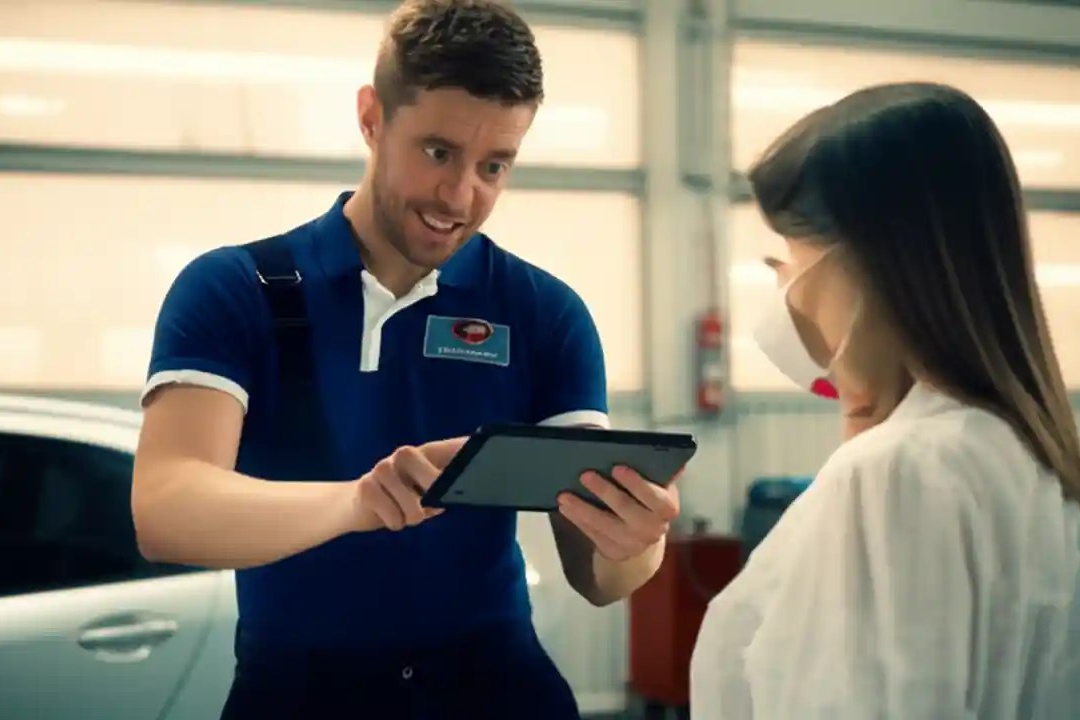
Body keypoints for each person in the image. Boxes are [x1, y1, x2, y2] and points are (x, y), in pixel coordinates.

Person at [130, 2, 680, 718]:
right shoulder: (237, 290)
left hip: (497, 693)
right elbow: (167, 510)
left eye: (494, 166)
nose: (461, 196)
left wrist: (639, 538)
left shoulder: (545, 314)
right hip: (298, 695)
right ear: (371, 118)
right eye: (438, 152)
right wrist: (357, 503)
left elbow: (599, 578)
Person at [690, 82, 1080, 719]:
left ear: (863, 265)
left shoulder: (897, 471)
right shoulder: (1022, 453)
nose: (784, 292)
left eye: (790, 260)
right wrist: (862, 406)